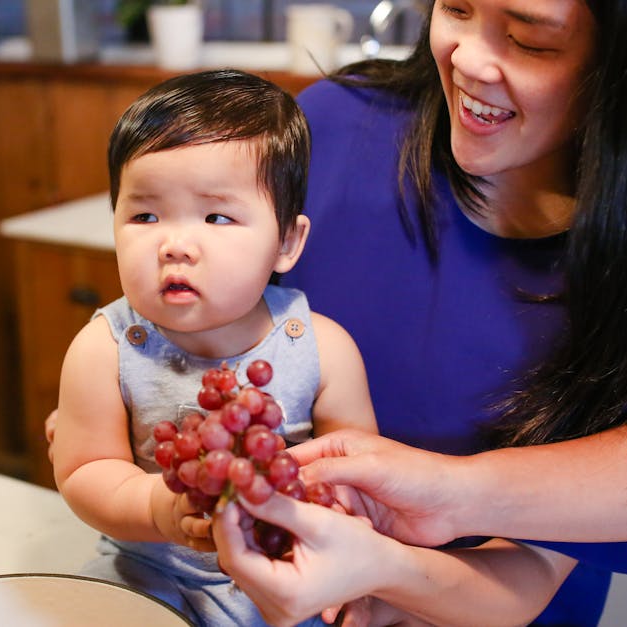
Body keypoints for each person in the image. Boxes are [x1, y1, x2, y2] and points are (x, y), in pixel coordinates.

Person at [215, 0, 627, 624]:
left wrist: (388, 574)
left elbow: (531, 576)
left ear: (625, 61)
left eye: (530, 41)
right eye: (455, 9)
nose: (469, 60)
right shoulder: (330, 129)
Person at [48, 69, 379, 627]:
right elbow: (84, 471)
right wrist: (156, 508)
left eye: (216, 216)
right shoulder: (103, 350)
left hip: (286, 573)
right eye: (144, 215)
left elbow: (359, 473)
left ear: (287, 242)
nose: (174, 244)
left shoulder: (323, 348)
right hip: (150, 573)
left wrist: (339, 534)